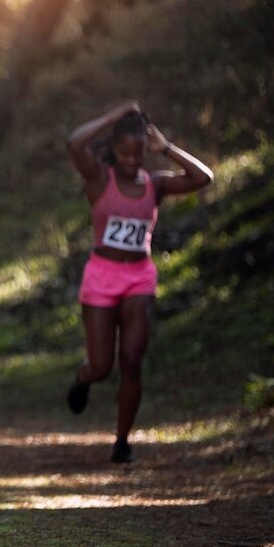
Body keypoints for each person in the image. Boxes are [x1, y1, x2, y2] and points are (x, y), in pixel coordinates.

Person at [65, 100, 213, 463]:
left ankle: (122, 441)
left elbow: (203, 178)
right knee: (102, 367)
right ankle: (84, 378)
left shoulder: (155, 185)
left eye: (139, 153)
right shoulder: (100, 178)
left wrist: (167, 149)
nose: (132, 160)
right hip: (101, 276)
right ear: (115, 151)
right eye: (125, 154)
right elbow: (74, 143)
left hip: (139, 277)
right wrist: (112, 115)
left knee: (131, 361)